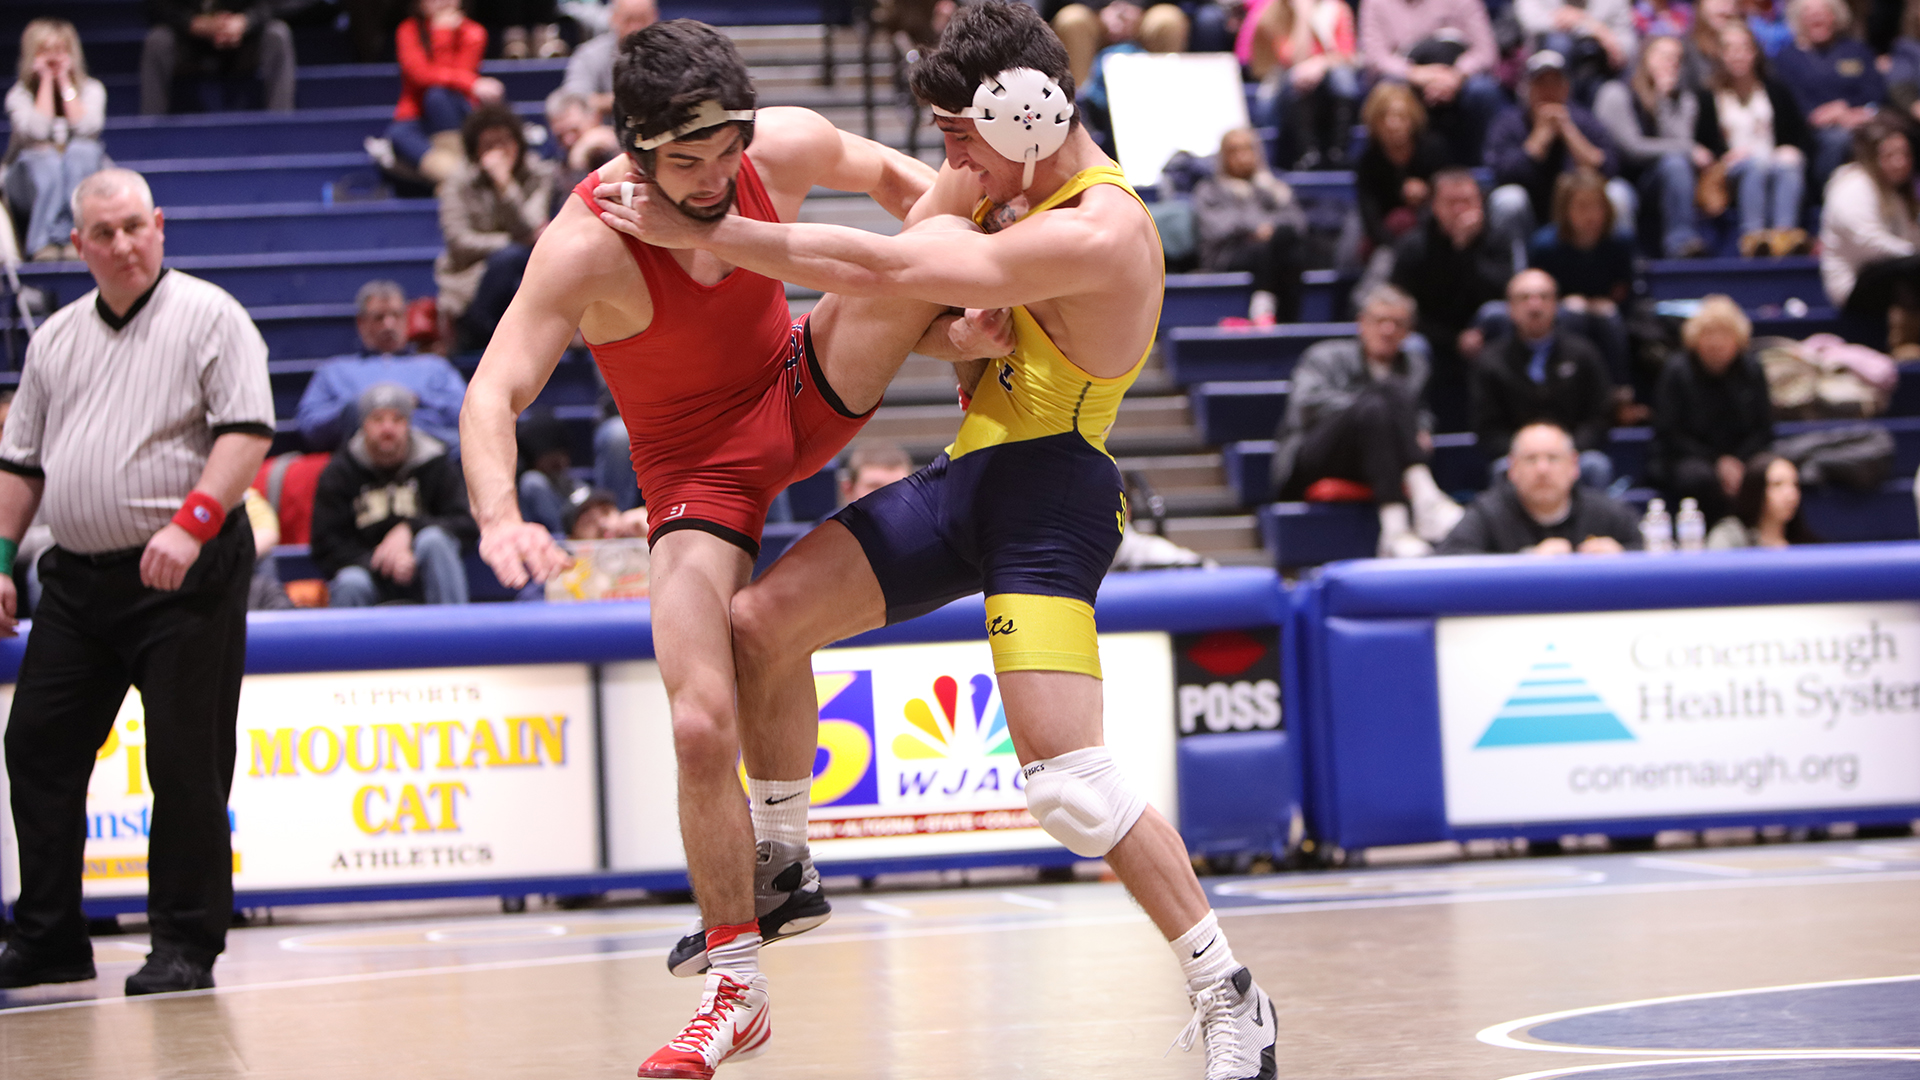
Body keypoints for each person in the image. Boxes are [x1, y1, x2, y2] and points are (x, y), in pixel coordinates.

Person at [597, 6, 1278, 1078]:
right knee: (759, 622)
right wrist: (959, 324)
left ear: (1028, 112)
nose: (948, 162)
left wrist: (710, 234)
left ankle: (1225, 987)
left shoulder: (1100, 228)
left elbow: (883, 267)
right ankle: (781, 868)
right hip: (973, 478)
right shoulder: (1010, 175)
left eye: (960, 139)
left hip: (1053, 492)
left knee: (1070, 783)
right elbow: (924, 231)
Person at [456, 18, 967, 1077]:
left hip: (797, 386)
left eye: (722, 152)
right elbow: (493, 391)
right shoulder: (588, 240)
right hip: (697, 478)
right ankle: (738, 991)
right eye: (682, 163)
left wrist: (968, 283)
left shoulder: (771, 148)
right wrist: (503, 517)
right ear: (635, 154)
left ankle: (784, 856)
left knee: (938, 236)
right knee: (698, 719)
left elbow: (889, 177)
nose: (710, 180)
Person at [0, 168, 274, 994]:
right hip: (78, 584)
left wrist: (190, 526)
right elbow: (19, 462)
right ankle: (49, 936)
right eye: (103, 234)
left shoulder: (210, 315)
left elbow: (247, 432)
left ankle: (185, 945)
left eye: (133, 227)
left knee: (186, 762)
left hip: (185, 577)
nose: (122, 244)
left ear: (158, 225)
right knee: (37, 743)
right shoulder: (55, 339)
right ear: (77, 245)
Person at [1269, 284, 1465, 556]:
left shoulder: (1415, 365)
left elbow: (1420, 411)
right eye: (1379, 321)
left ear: (1409, 331)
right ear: (1361, 323)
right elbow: (1306, 406)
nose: (1387, 330)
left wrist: (1422, 428)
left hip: (1379, 458)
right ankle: (1426, 498)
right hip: (1318, 454)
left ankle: (1395, 529)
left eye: (1397, 323)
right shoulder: (1324, 355)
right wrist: (1367, 408)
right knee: (1381, 399)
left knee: (1389, 393)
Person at [311, 384, 476, 606]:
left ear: (408, 424)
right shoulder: (339, 472)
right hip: (367, 575)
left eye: (397, 419)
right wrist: (379, 561)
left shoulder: (435, 462)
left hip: (426, 570)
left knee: (434, 541)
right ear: (363, 425)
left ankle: (456, 634)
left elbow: (466, 523)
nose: (387, 429)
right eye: (378, 420)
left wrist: (410, 529)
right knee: (349, 583)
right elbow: (325, 544)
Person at [1389, 168, 1516, 426]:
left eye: (1468, 202)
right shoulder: (1414, 247)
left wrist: (1464, 251)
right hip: (1434, 338)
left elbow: (1504, 293)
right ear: (1434, 206)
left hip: (1485, 336)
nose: (1461, 210)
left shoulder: (1497, 240)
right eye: (1451, 203)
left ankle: (1508, 420)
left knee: (1498, 315)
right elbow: (1403, 310)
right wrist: (1453, 339)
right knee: (1411, 344)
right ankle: (1413, 426)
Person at [1470, 269, 1617, 487]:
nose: (1535, 306)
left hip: (1573, 454)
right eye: (1524, 298)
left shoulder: (1583, 354)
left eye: (1544, 297)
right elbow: (1487, 427)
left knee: (1595, 466)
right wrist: (1526, 453)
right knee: (1503, 470)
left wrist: (1565, 450)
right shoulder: (1490, 361)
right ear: (1510, 308)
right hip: (1517, 456)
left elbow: (1600, 416)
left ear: (1556, 305)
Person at [436, 104, 559, 352]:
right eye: (489, 146)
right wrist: (510, 243)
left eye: (505, 143)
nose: (499, 153)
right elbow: (458, 242)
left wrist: (505, 184)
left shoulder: (540, 175)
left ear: (519, 144)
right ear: (475, 153)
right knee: (511, 257)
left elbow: (531, 225)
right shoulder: (457, 184)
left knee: (521, 263)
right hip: (471, 288)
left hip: (522, 279)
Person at [297, 280, 469, 452]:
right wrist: (359, 406)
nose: (388, 325)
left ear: (406, 318)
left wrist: (420, 399)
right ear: (361, 323)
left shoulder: (435, 367)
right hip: (358, 459)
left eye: (396, 315)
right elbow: (310, 426)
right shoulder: (334, 371)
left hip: (430, 455)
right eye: (379, 317)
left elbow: (467, 415)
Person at [1648, 294, 1772, 523]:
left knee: (1767, 470)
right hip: (1688, 456)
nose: (1716, 343)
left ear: (1738, 339)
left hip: (1742, 455)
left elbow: (1763, 429)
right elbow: (1669, 433)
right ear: (1695, 338)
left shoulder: (1752, 370)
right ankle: (1720, 532)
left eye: (1724, 335)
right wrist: (1717, 461)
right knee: (1699, 477)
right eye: (1709, 334)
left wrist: (1738, 461)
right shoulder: (1677, 371)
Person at [1486, 50, 1624, 252]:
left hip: (1580, 210)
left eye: (1555, 83)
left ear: (1567, 88)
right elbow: (1504, 174)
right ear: (1527, 88)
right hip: (1531, 211)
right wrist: (1540, 138)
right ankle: (1521, 277)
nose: (1548, 91)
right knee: (1508, 199)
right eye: (1541, 83)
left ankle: (1619, 271)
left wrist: (1568, 132)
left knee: (1619, 193)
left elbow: (1608, 169)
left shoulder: (1584, 120)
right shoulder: (1508, 123)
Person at [1594, 34, 1717, 257]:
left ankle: (1682, 245)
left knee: (1676, 164)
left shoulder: (1684, 100)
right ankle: (1628, 265)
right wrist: (1688, 149)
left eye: (1676, 59)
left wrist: (1664, 102)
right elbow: (1632, 149)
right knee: (1620, 194)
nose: (1669, 63)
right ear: (1644, 57)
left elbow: (1681, 142)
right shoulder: (1616, 92)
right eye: (1662, 55)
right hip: (1621, 177)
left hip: (1660, 180)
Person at [1437, 420, 1644, 553]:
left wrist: (1621, 556)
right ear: (1512, 469)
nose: (1542, 469)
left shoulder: (1605, 512)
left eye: (1553, 458)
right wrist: (1525, 563)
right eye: (1530, 459)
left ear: (1574, 465)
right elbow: (1449, 562)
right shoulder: (1487, 514)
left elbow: (1649, 551)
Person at [1700, 20, 1810, 256]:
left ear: (1754, 53)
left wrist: (1790, 148)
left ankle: (1785, 235)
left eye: (1743, 48)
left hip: (1773, 162)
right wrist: (1724, 157)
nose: (1737, 55)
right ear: (1720, 55)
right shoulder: (1708, 96)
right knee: (1756, 165)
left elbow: (1798, 133)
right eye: (1730, 48)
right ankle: (1753, 238)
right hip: (1732, 169)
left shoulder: (1775, 90)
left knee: (1790, 162)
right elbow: (1701, 141)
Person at [5, 20, 106, 263]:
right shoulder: (19, 95)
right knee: (45, 157)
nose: (53, 58)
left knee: (82, 151)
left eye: (60, 50)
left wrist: (63, 82)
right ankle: (44, 244)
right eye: (44, 51)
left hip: (81, 177)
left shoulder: (92, 90)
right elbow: (37, 131)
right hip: (27, 184)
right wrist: (46, 83)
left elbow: (87, 129)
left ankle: (76, 238)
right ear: (32, 55)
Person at [1356, 0, 1505, 164]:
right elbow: (1374, 57)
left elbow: (1485, 52)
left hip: (1457, 76)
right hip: (1406, 78)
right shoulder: (1374, 3)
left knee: (1483, 91)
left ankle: (1484, 166)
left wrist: (1456, 75)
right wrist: (1416, 74)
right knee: (1389, 93)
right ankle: (1399, 172)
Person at [1819, 116, 1920, 357]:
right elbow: (1868, 242)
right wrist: (1914, 254)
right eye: (1890, 155)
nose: (1900, 162)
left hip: (1890, 272)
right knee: (1913, 266)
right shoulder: (1853, 185)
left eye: (1904, 154)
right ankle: (1904, 341)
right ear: (1873, 157)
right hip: (1854, 284)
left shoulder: (1899, 192)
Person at [1527, 169, 1637, 389]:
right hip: (1561, 313)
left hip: (1607, 311)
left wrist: (1608, 304)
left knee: (1609, 318)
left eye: (1597, 206)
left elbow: (1626, 292)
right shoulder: (1545, 247)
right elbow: (1538, 294)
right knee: (1573, 314)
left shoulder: (1620, 242)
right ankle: (1567, 389)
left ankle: (1620, 392)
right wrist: (1563, 304)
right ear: (1565, 210)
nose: (1592, 215)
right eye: (1582, 207)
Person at [379, 0, 504, 183]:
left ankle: (454, 180)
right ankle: (458, 178)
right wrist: (473, 83)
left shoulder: (473, 32)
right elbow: (419, 75)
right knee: (398, 134)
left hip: (456, 112)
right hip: (418, 116)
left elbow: (450, 82)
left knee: (438, 96)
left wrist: (442, 35)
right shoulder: (407, 30)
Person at [1193, 127, 1308, 324]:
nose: (1243, 156)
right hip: (1228, 255)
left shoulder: (1273, 188)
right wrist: (1256, 228)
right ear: (1224, 157)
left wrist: (1269, 230)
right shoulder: (1209, 190)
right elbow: (1217, 228)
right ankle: (1277, 315)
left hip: (1272, 247)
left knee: (1290, 247)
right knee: (1271, 248)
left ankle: (1272, 312)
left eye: (1248, 149)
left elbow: (1298, 222)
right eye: (1235, 151)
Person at [1774, 0, 1885, 195]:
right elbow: (1788, 100)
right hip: (1812, 130)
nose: (1817, 16)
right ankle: (1830, 196)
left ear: (1835, 16)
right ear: (1799, 20)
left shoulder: (1857, 50)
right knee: (1838, 139)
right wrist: (1821, 115)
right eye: (1809, 12)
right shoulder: (1786, 58)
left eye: (1824, 11)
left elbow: (1875, 91)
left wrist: (1851, 110)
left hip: (1860, 120)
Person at [1245, 0, 1360, 169]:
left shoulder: (1337, 9)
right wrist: (1303, 15)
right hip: (1286, 90)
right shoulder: (1273, 15)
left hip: (1329, 82)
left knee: (1342, 77)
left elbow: (1347, 56)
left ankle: (1338, 152)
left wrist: (1320, 63)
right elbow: (1293, 60)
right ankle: (1308, 153)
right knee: (1299, 78)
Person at [141, 0, 296, 114]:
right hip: (190, 46)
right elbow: (156, 6)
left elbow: (276, 4)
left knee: (278, 34)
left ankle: (281, 123)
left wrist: (246, 21)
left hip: (244, 43)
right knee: (157, 40)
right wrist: (193, 24)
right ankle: (150, 131)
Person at [1354, 82, 1449, 255]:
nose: (1393, 124)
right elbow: (1370, 219)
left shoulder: (1434, 150)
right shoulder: (1368, 162)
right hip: (1385, 242)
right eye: (1384, 117)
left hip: (1432, 237)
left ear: (1412, 119)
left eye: (1400, 116)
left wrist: (1428, 193)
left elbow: (1448, 199)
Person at [1048, 0, 1197, 90]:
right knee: (1072, 20)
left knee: (1168, 21)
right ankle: (1077, 112)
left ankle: (1163, 102)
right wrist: (1103, 10)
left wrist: (1134, 7)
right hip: (1094, 14)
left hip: (1145, 13)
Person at [562, 0, 658, 119]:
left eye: (642, 19)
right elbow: (575, 102)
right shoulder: (589, 54)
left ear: (654, 16)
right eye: (628, 20)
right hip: (606, 133)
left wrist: (602, 102)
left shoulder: (670, 52)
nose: (635, 28)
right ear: (613, 17)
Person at [1516, 0, 1635, 92]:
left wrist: (1585, 22)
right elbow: (1531, 22)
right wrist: (1592, 27)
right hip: (1546, 65)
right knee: (1559, 42)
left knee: (1615, 89)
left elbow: (1626, 43)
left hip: (1600, 66)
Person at [1706, 449, 1812, 545]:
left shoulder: (1807, 544)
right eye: (1777, 484)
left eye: (1795, 485)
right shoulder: (1730, 535)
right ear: (1756, 489)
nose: (1791, 495)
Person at [544, 87, 621, 195]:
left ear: (595, 118)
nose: (568, 140)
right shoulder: (557, 173)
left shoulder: (622, 151)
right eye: (560, 136)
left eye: (574, 130)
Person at [838, 440, 914, 505]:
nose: (887, 498)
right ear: (848, 490)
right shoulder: (828, 522)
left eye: (897, 489)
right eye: (875, 487)